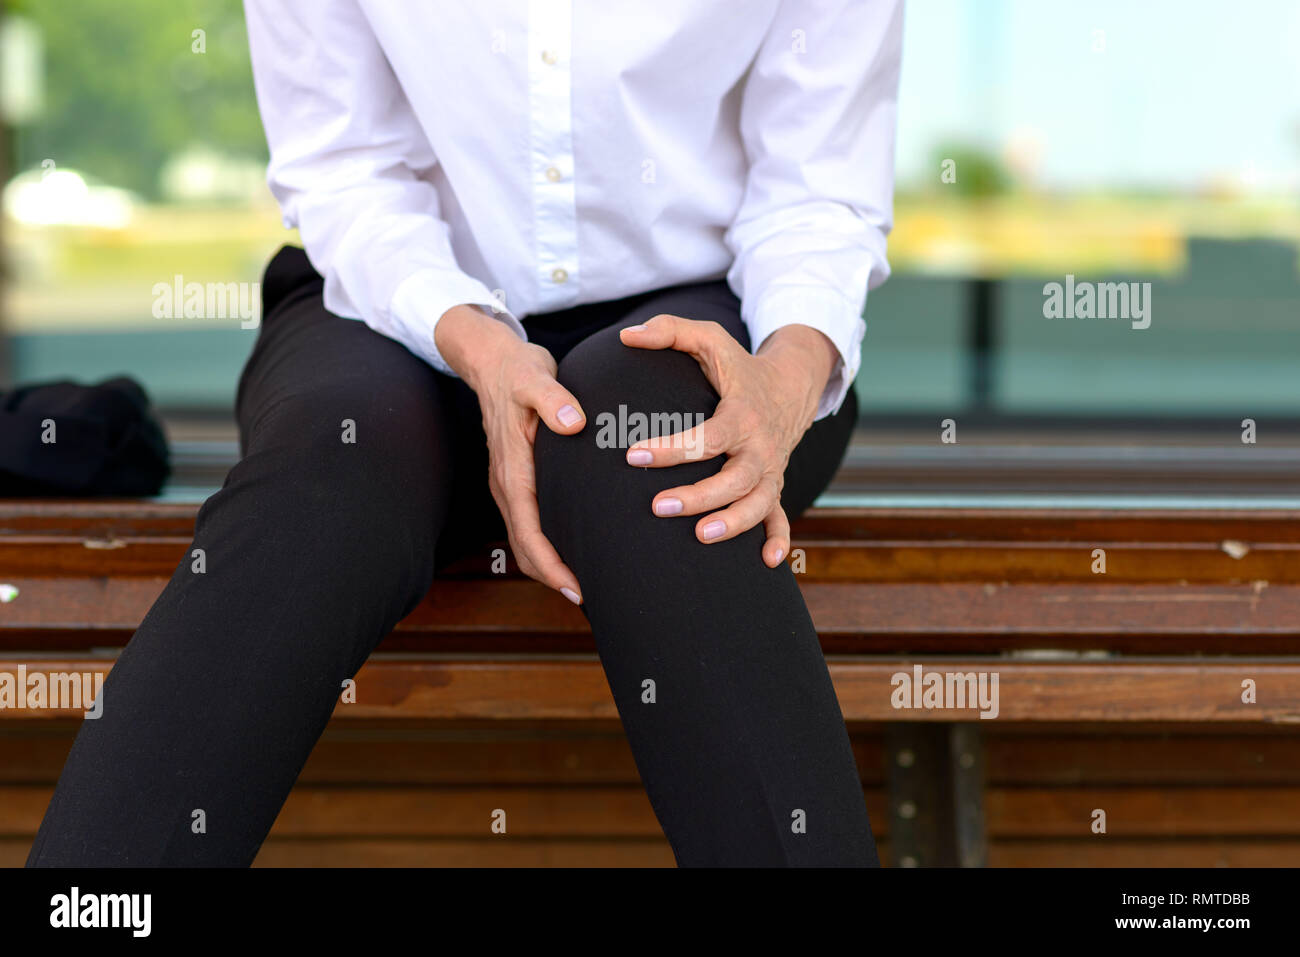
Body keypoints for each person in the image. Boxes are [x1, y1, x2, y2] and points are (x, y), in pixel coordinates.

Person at [27, 0, 902, 867]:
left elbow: (816, 187)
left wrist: (784, 385)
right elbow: (346, 169)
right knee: (329, 473)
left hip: (714, 302)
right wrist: (476, 343)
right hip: (401, 298)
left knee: (655, 447)